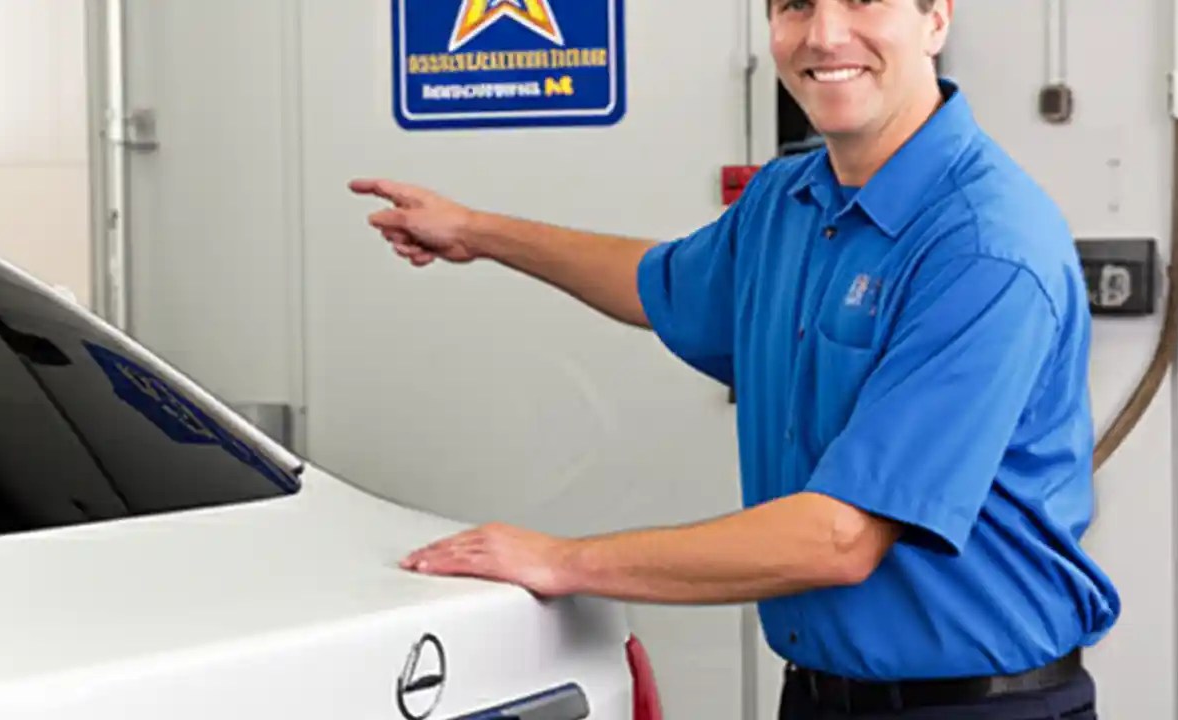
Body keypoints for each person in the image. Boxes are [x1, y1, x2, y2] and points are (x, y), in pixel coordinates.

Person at [350, 0, 1120, 716]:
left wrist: (562, 561)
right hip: (819, 695)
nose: (823, 35)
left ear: (935, 18)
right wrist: (476, 232)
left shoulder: (984, 247)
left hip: (976, 707)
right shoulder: (788, 200)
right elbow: (658, 283)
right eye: (793, 4)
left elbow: (841, 537)